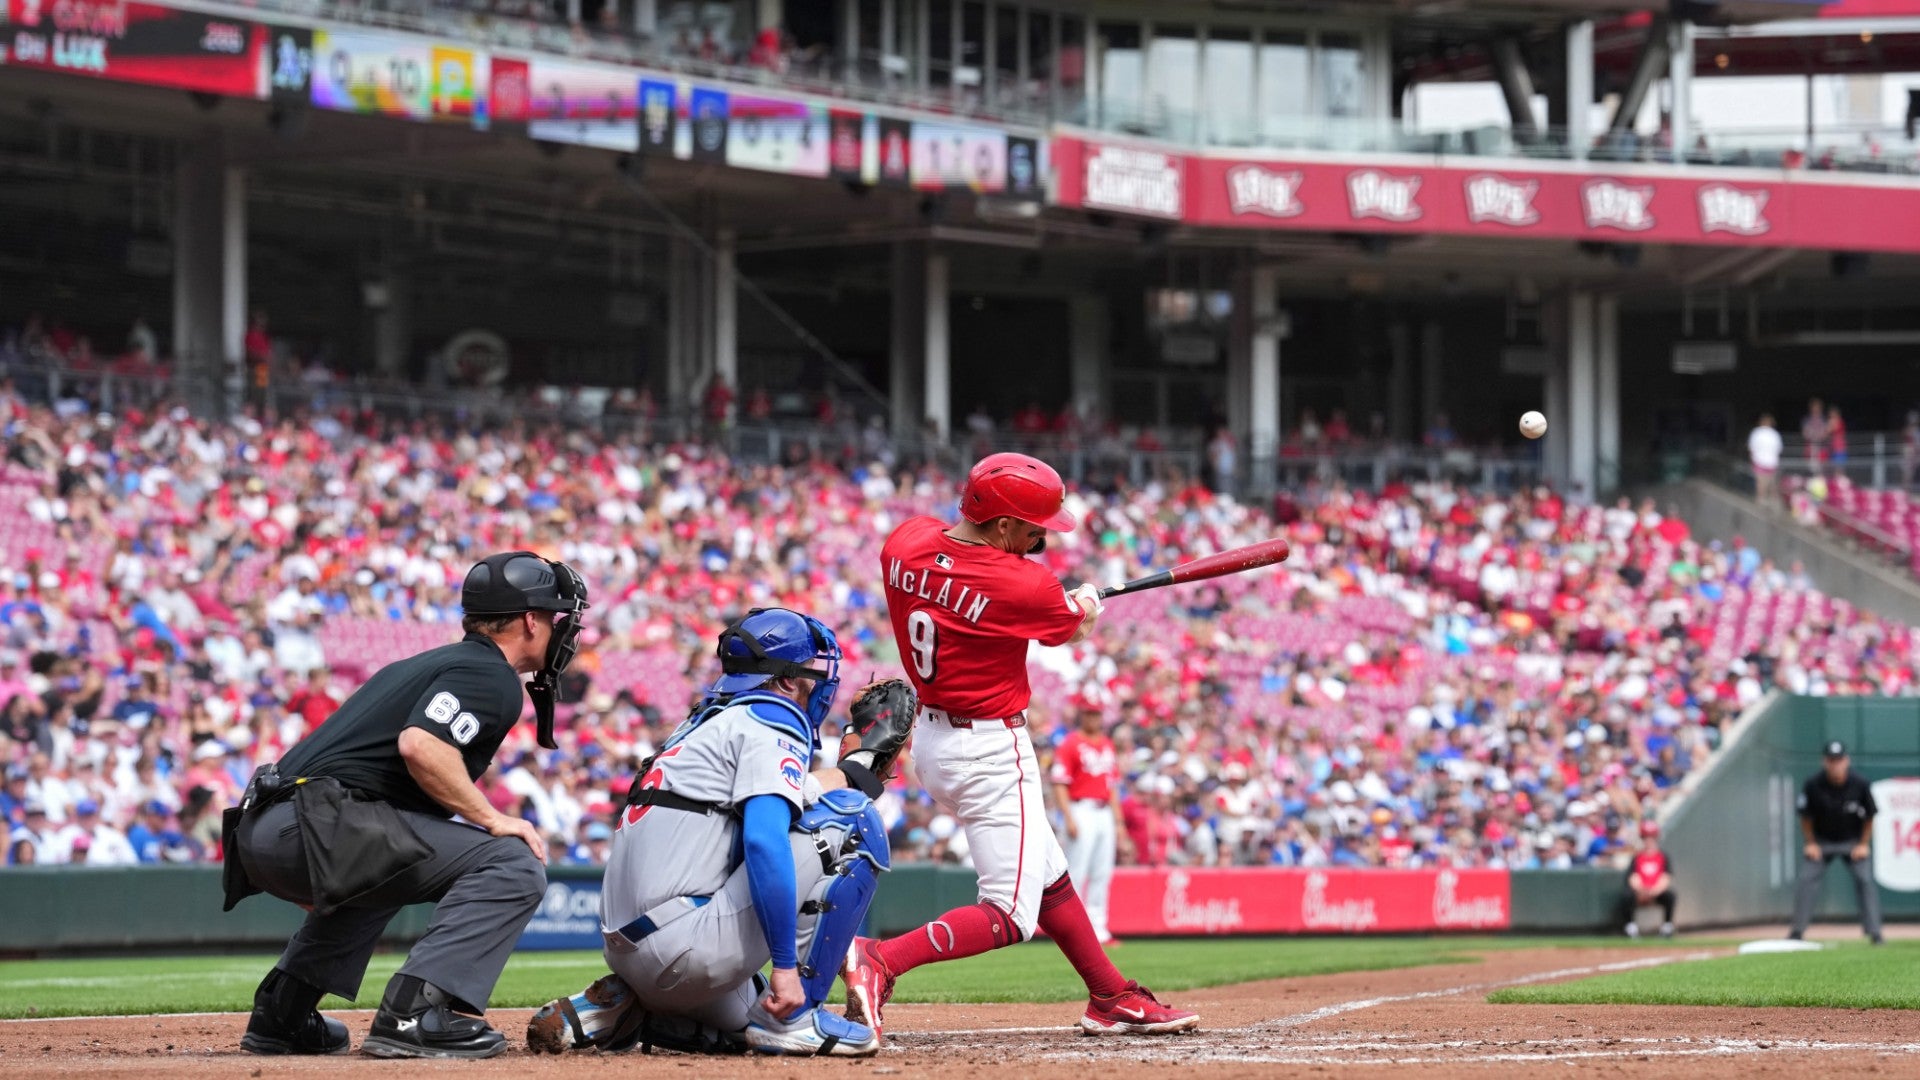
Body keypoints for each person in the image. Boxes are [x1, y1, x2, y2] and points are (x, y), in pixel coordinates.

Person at [841, 452, 1199, 1038]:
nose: (1039, 544)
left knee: (1049, 872)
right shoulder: (1022, 583)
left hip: (931, 740)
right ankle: (882, 959)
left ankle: (1110, 995)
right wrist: (1081, 604)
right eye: (1034, 532)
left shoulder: (903, 541)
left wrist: (1059, 598)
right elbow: (1069, 627)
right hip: (987, 750)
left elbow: (959, 564)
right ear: (1003, 524)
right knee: (1010, 914)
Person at [224, 551, 589, 1058]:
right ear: (530, 621)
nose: (560, 631)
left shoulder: (431, 662)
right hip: (314, 824)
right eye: (553, 618)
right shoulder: (490, 674)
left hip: (266, 826)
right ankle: (413, 1015)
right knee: (513, 863)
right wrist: (492, 818)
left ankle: (282, 1015)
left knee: (391, 857)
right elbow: (421, 744)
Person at [526, 609, 910, 1058]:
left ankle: (632, 1008)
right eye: (812, 675)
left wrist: (856, 770)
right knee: (853, 817)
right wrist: (785, 968)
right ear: (787, 680)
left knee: (743, 1030)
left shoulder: (707, 723)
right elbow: (765, 841)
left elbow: (794, 794)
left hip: (636, 948)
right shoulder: (774, 717)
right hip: (684, 949)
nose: (818, 686)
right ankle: (796, 1017)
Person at [1050, 702, 1130, 945]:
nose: (1093, 718)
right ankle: (1074, 931)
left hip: (1103, 810)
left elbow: (1112, 786)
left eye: (1097, 714)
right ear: (1082, 715)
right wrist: (1068, 816)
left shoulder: (1106, 743)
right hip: (1080, 807)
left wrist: (1118, 822)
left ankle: (1099, 929)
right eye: (1089, 714)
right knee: (1077, 870)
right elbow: (1059, 783)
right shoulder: (1070, 743)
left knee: (1102, 872)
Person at [1789, 740, 1882, 945]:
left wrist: (1863, 844)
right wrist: (1810, 842)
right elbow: (1805, 816)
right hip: (1822, 841)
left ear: (1846, 761)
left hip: (1852, 841)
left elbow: (1870, 817)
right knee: (1806, 879)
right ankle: (1797, 931)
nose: (1835, 764)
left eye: (1839, 760)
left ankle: (1875, 933)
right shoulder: (1813, 784)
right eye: (1831, 760)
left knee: (1865, 879)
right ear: (1825, 762)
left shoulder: (1860, 783)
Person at [1618, 820, 1675, 938]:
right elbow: (1633, 877)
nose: (1648, 841)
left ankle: (1667, 927)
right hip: (1641, 892)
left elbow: (1665, 877)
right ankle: (1630, 928)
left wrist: (1654, 891)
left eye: (1651, 837)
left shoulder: (1662, 856)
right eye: (1646, 837)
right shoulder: (1637, 857)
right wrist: (1642, 890)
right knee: (1626, 896)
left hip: (1656, 891)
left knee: (1670, 896)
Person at [1748, 413, 1783, 510]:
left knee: (1769, 485)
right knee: (1762, 484)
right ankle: (1762, 501)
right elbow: (1752, 448)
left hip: (1769, 463)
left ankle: (1768, 502)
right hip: (1762, 462)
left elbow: (1778, 449)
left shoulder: (1773, 434)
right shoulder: (1758, 433)